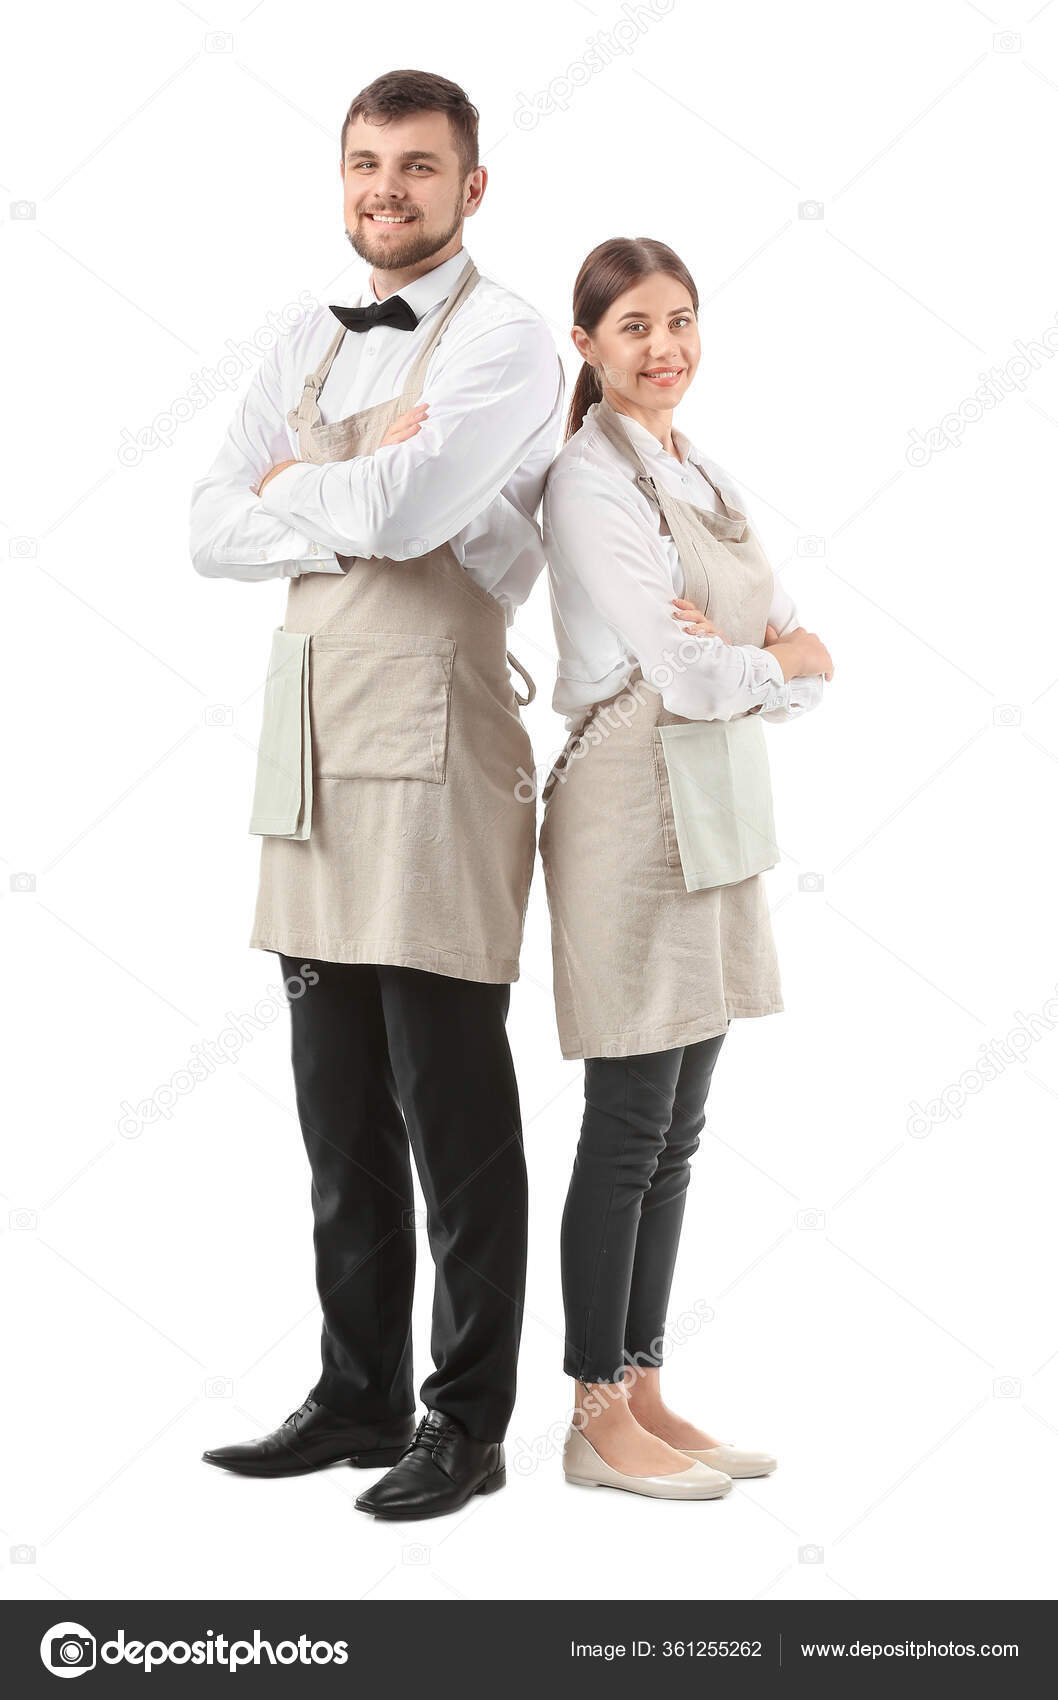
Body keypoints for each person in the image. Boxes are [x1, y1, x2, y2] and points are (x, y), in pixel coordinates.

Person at [189, 69, 563, 1520]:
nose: (386, 190)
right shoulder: (300, 330)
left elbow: (410, 515)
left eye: (417, 167)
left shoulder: (512, 338)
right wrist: (325, 490)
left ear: (472, 188)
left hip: (431, 745)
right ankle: (354, 1396)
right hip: (306, 741)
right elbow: (205, 527)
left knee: (448, 1111)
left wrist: (300, 488)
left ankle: (460, 1423)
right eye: (364, 164)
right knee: (336, 1116)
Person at [538, 237, 833, 1501]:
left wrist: (771, 658)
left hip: (709, 799)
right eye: (634, 328)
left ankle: (644, 1381)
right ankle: (590, 1413)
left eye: (681, 321)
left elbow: (765, 646)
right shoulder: (587, 480)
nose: (663, 348)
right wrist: (784, 663)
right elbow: (699, 668)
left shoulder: (694, 467)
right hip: (624, 795)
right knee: (626, 1123)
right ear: (587, 344)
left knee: (681, 1126)